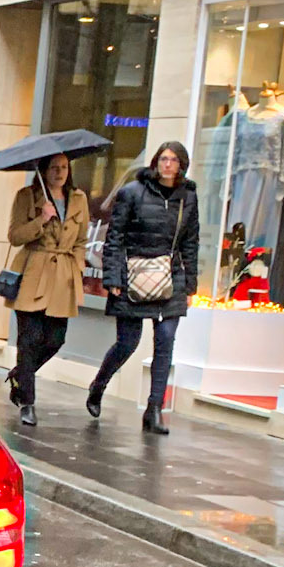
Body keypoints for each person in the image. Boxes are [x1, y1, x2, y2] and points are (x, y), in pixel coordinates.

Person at [88, 141, 200, 435]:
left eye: (173, 160)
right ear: (155, 162)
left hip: (170, 277)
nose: (167, 164)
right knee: (128, 342)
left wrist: (190, 282)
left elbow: (190, 241)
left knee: (165, 341)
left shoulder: (188, 197)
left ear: (182, 165)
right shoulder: (131, 193)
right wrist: (112, 279)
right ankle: (98, 385)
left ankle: (154, 410)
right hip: (133, 276)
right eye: (163, 158)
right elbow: (114, 239)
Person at [2, 152, 89, 427]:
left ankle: (19, 375)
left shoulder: (79, 198)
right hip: (33, 273)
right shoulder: (26, 196)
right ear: (43, 169)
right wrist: (41, 219)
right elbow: (15, 236)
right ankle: (27, 402)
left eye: (64, 167)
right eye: (54, 167)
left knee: (55, 339)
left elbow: (82, 238)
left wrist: (77, 267)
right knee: (29, 340)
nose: (59, 172)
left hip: (63, 277)